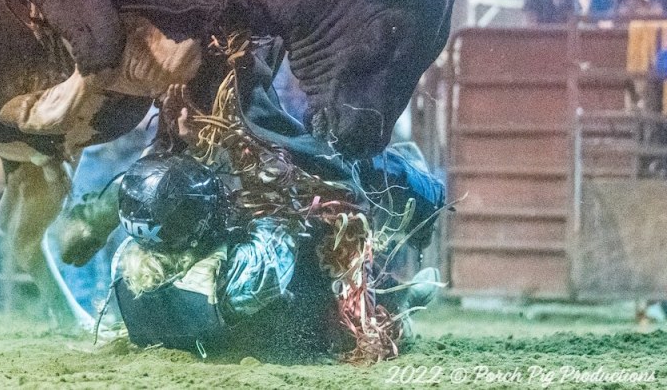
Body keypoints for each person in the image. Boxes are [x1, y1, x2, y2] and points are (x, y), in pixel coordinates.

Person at [111, 154, 438, 361]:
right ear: (194, 224)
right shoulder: (238, 279)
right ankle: (398, 303)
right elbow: (279, 225)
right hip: (303, 336)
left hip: (202, 344)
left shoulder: (127, 263)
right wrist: (268, 172)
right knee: (322, 244)